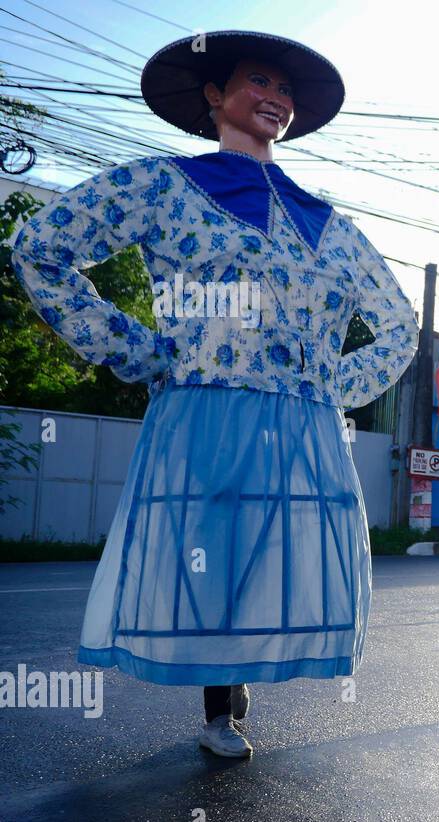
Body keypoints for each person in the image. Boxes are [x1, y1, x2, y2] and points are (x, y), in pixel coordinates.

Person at [10, 32, 417, 760]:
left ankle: (236, 688)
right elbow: (41, 246)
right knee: (211, 547)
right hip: (206, 409)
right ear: (213, 96)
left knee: (274, 551)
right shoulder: (163, 185)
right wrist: (139, 351)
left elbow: (398, 328)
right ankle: (219, 706)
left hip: (303, 422)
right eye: (259, 81)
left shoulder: (329, 222)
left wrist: (332, 388)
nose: (277, 99)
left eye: (286, 91)